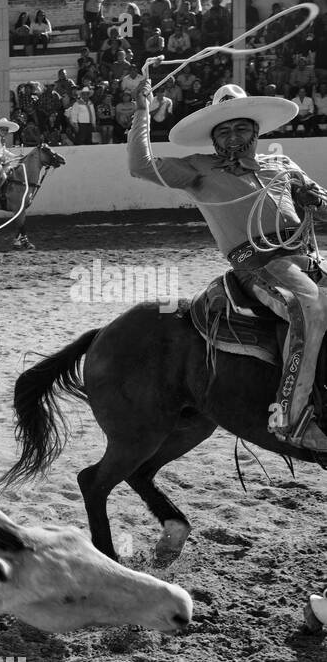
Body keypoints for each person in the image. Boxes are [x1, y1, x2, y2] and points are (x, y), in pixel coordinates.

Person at [130, 80, 327, 452]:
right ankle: (292, 416)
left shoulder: (281, 165)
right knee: (310, 307)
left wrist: (314, 198)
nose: (233, 136)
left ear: (255, 131)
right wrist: (142, 111)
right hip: (259, 264)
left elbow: (323, 206)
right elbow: (140, 166)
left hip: (307, 258)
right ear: (214, 139)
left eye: (241, 128)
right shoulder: (198, 170)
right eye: (224, 131)